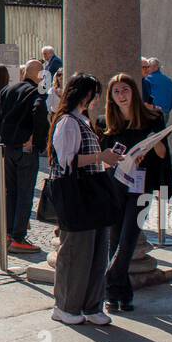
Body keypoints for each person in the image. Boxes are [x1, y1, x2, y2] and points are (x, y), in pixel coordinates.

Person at [47, 73, 122, 325]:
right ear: (86, 95)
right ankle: (67, 305)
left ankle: (91, 304)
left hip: (92, 189)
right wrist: (101, 157)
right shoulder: (68, 122)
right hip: (77, 192)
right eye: (93, 94)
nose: (95, 100)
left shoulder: (82, 121)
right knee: (77, 251)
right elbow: (66, 161)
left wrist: (103, 159)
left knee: (97, 250)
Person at [102, 73, 171, 312]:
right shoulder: (107, 123)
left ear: (134, 92)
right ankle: (120, 294)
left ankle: (108, 277)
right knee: (114, 238)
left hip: (142, 185)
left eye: (125, 90)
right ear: (111, 97)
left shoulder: (153, 117)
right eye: (116, 92)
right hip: (115, 185)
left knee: (129, 237)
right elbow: (104, 160)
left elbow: (163, 155)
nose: (122, 95)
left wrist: (152, 144)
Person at [0, 58, 49, 253]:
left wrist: (3, 138)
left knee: (11, 192)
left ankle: (9, 232)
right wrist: (37, 141)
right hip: (25, 148)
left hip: (7, 146)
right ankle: (18, 237)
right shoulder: (37, 92)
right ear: (39, 74)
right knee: (25, 193)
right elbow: (40, 112)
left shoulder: (7, 90)